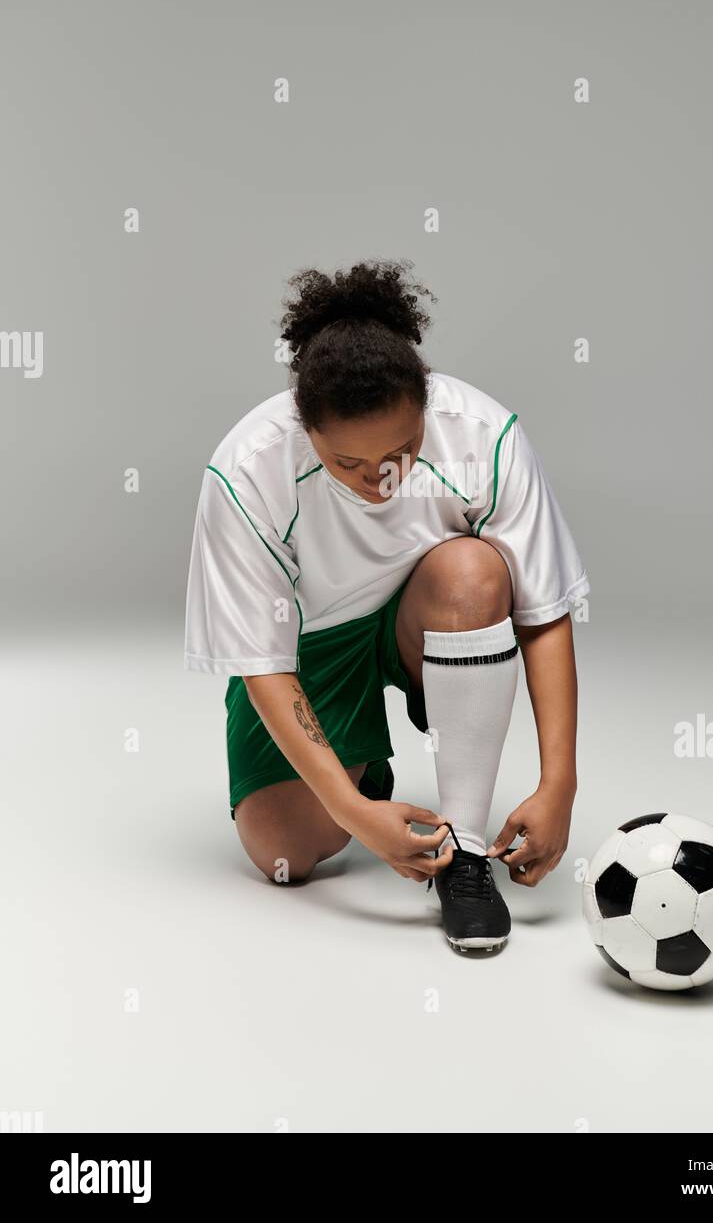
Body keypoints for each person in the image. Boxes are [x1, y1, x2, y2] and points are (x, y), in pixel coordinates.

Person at [184, 258, 590, 952]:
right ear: (304, 427)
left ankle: (462, 852)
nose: (381, 479)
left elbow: (543, 612)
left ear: (425, 402)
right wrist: (352, 808)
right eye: (350, 465)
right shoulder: (247, 469)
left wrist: (561, 783)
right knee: (285, 853)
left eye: (402, 450)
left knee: (473, 568)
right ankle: (366, 762)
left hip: (431, 614)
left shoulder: (485, 435)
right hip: (312, 648)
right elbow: (264, 667)